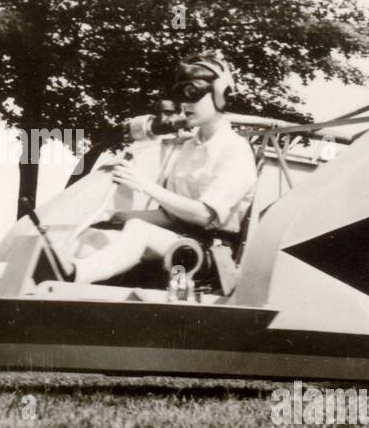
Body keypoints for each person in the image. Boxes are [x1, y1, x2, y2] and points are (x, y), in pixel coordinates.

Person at [64, 53, 256, 285]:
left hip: (209, 253)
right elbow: (171, 216)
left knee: (137, 229)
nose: (185, 104)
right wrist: (111, 217)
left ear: (220, 94)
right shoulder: (188, 148)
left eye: (193, 93)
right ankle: (50, 272)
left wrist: (145, 187)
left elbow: (204, 215)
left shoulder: (236, 149)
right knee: (93, 236)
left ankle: (74, 275)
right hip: (175, 240)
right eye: (181, 94)